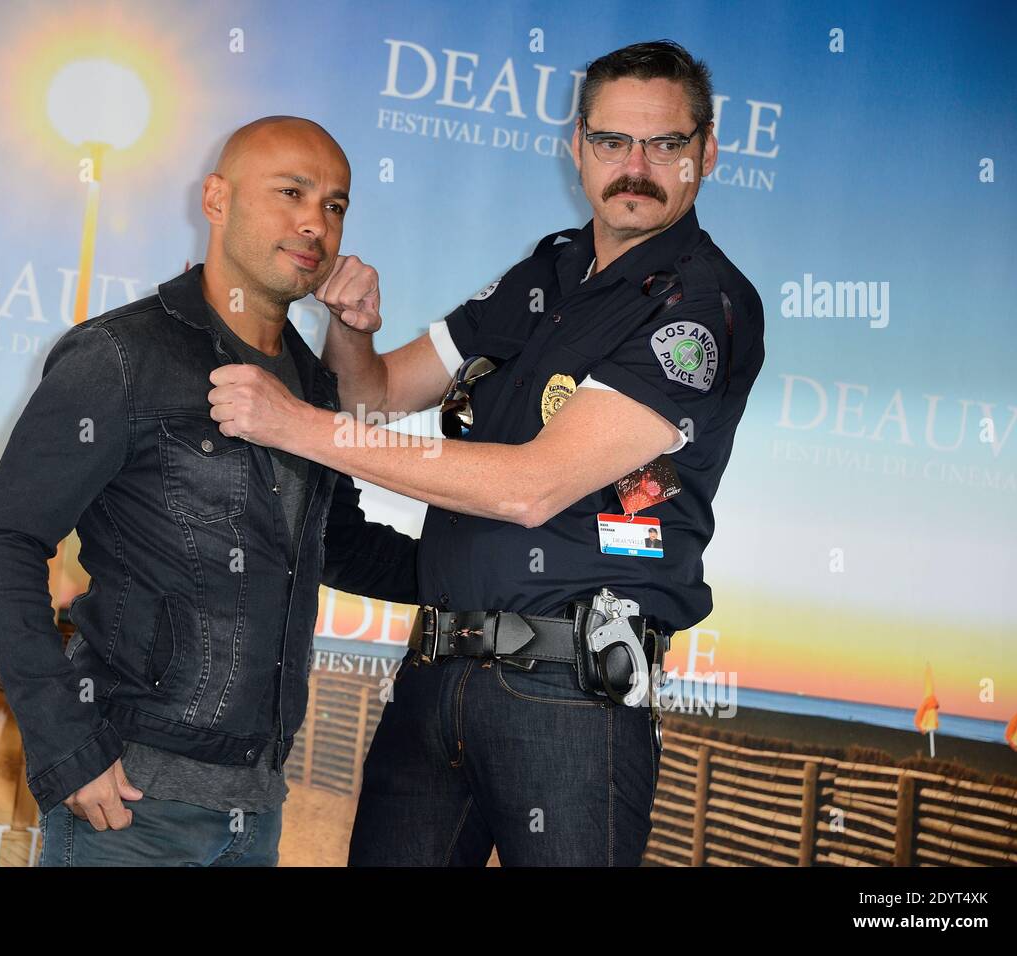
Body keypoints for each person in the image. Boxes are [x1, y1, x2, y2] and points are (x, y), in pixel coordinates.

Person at [205, 41, 765, 865]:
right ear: (577, 148)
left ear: (706, 153)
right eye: (612, 141)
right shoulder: (547, 273)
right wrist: (352, 335)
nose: (636, 166)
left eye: (666, 144)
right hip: (436, 674)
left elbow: (532, 490)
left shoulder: (702, 306)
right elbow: (374, 397)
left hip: (573, 696)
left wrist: (293, 424)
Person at [0, 116, 417, 866]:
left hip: (256, 808)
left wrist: (494, 572)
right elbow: (2, 540)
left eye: (334, 205)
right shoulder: (121, 355)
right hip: (131, 802)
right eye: (291, 192)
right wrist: (65, 742)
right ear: (216, 199)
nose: (315, 222)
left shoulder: (311, 388)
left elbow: (341, 546)